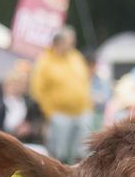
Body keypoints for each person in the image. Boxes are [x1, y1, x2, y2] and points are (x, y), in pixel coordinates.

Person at [32, 29, 94, 163]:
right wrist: (49, 112)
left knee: (83, 151)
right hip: (59, 113)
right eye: (69, 41)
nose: (73, 44)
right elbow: (37, 90)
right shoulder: (45, 61)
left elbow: (85, 81)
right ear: (58, 43)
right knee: (60, 153)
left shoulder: (76, 57)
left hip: (83, 111)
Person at [0, 64, 42, 145]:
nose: (16, 87)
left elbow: (37, 122)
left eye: (19, 84)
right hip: (5, 143)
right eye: (13, 84)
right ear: (6, 85)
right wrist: (14, 131)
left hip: (26, 141)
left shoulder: (30, 103)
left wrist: (30, 128)